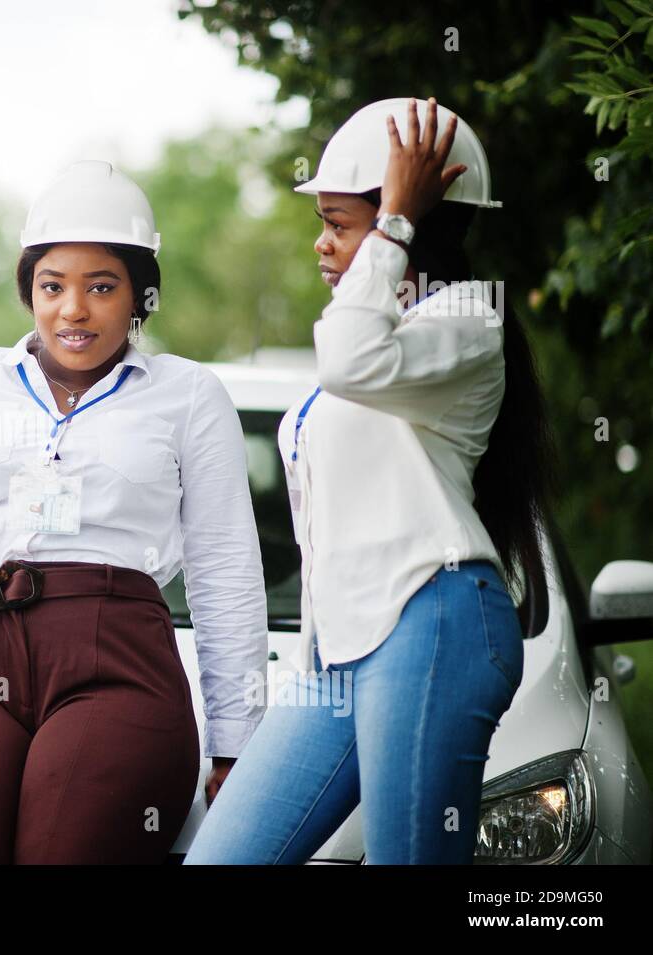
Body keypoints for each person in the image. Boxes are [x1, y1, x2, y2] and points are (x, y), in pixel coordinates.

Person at [0, 160, 268, 864]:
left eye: (102, 287)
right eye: (52, 286)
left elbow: (224, 568)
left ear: (142, 295)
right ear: (29, 290)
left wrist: (237, 741)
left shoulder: (189, 394)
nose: (73, 310)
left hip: (118, 661)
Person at [185, 98, 553, 865]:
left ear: (413, 222)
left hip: (438, 621)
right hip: (341, 655)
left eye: (340, 223)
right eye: (324, 221)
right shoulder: (378, 332)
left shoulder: (467, 321)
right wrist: (313, 655)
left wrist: (391, 221)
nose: (321, 244)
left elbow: (349, 359)